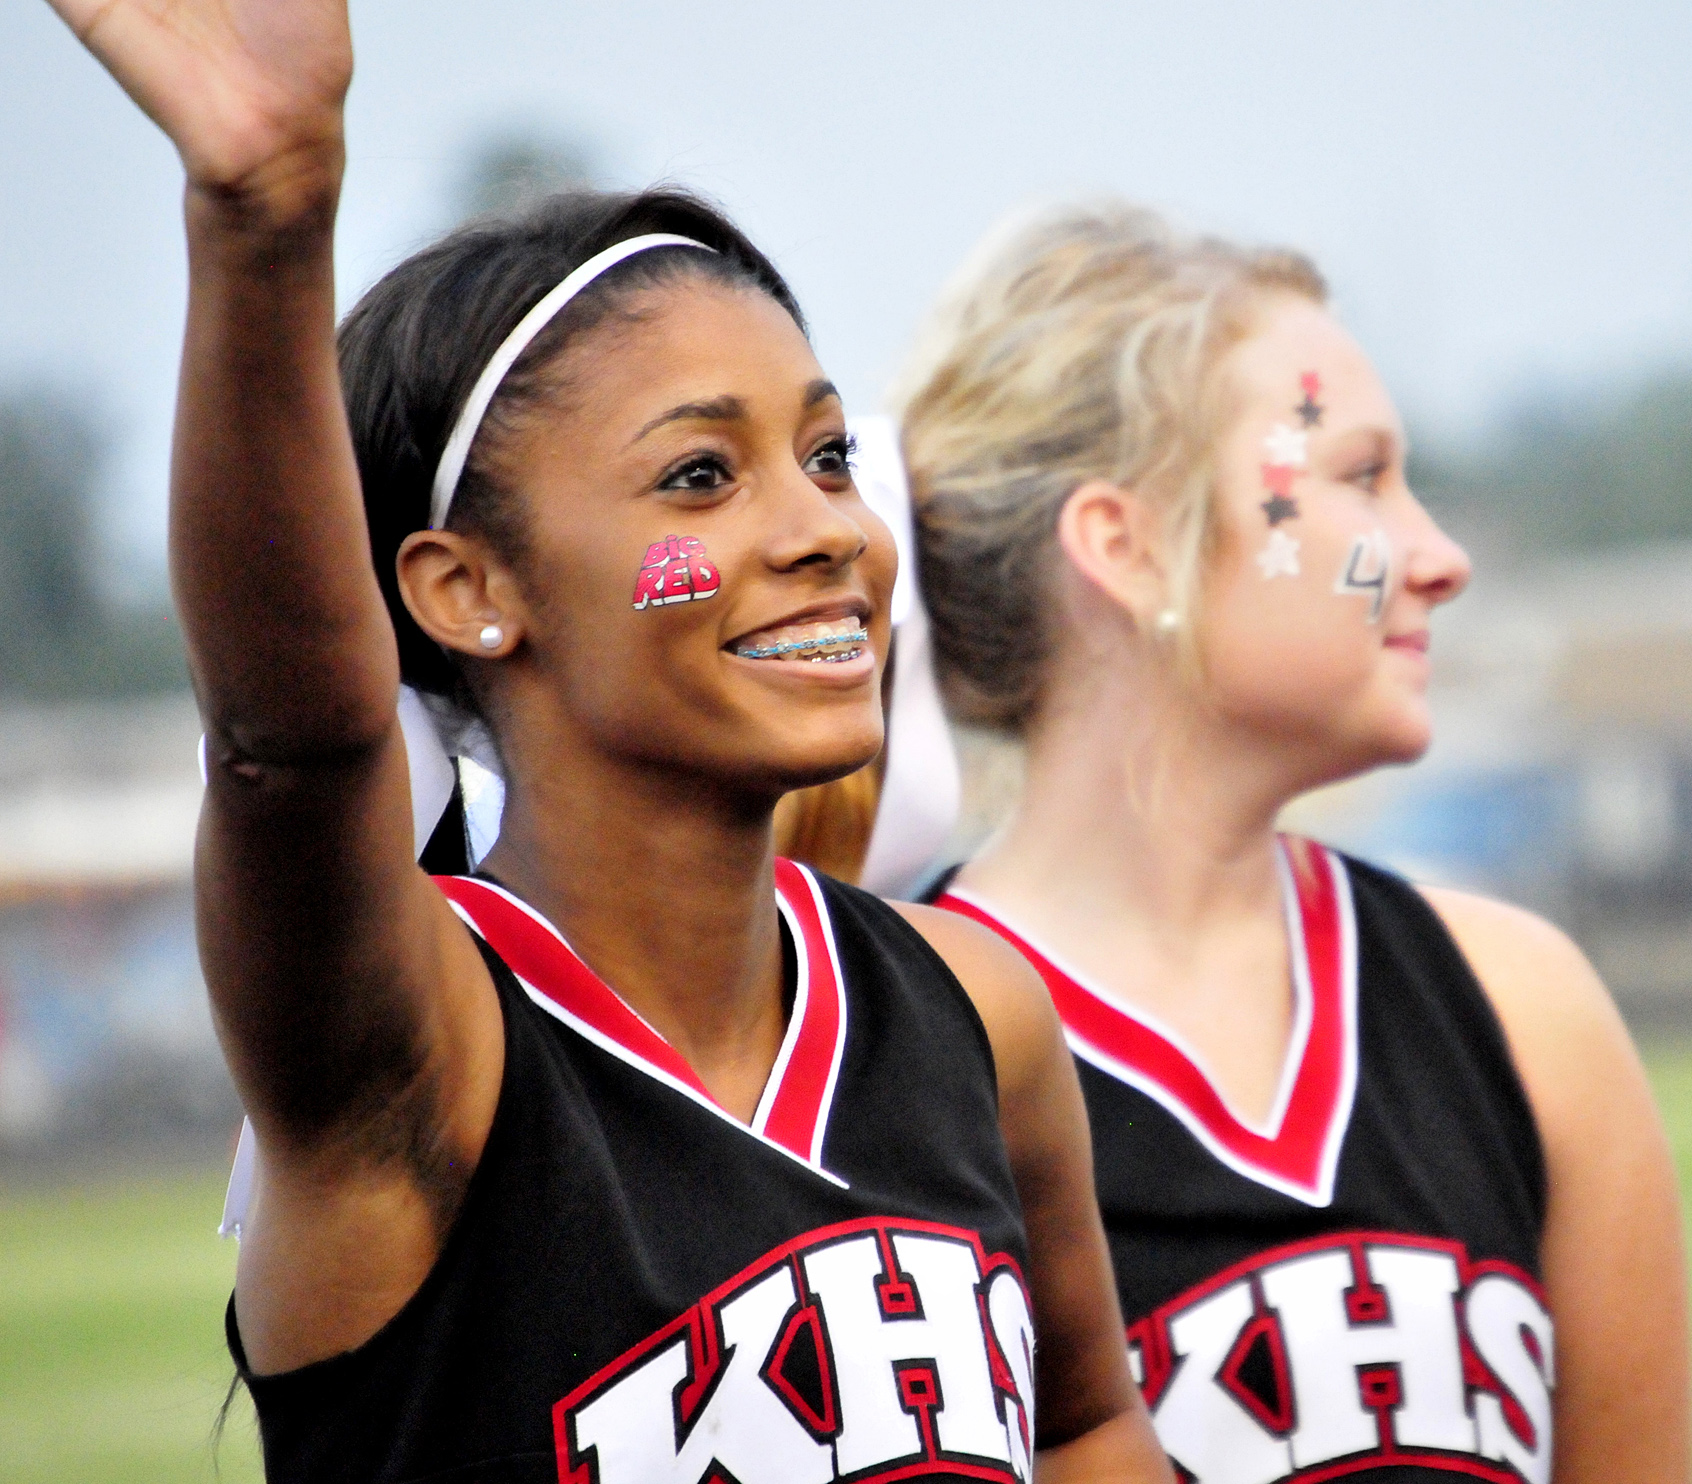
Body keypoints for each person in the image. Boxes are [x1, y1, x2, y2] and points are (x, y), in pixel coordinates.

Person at [40, 2, 1170, 1480]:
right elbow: (287, 749)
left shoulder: (971, 1012)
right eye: (700, 475)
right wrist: (263, 214)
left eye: (827, 454)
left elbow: (1086, 1420)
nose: (826, 528)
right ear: (467, 590)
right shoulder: (420, 1052)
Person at [894, 206, 1692, 1483]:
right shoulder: (897, 1056)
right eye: (1361, 476)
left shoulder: (1521, 1008)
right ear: (1125, 544)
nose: (1439, 557)